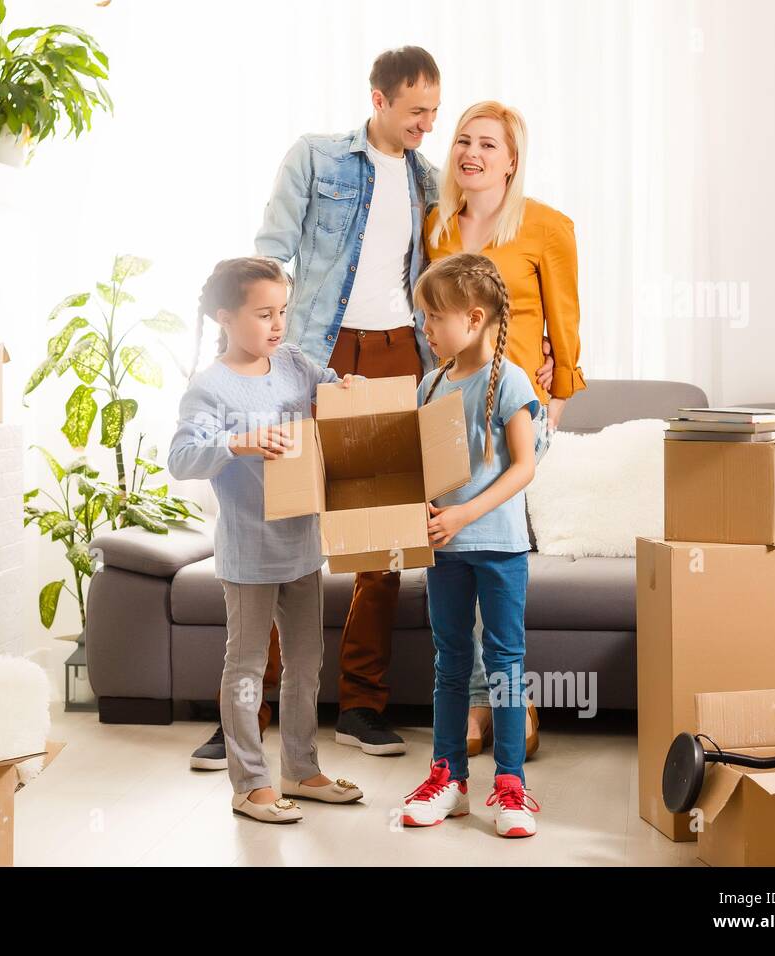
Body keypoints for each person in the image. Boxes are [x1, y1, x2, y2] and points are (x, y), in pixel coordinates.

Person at [185, 46, 445, 770]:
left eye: (435, 109)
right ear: (379, 99)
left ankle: (361, 707)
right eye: (417, 108)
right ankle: (248, 712)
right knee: (279, 519)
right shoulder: (317, 157)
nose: (428, 122)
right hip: (311, 353)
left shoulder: (430, 180)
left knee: (380, 541)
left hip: (396, 354)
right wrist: (253, 345)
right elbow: (270, 255)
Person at [169, 256, 365, 823]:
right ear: (226, 318)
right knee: (248, 667)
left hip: (302, 545)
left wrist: (347, 388)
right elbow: (182, 458)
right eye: (263, 314)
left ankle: (300, 770)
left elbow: (331, 391)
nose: (277, 324)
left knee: (306, 665)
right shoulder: (209, 387)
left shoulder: (295, 365)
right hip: (249, 554)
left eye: (282, 311)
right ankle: (249, 783)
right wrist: (241, 443)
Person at [423, 100, 585, 757]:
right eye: (464, 140)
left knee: (493, 560)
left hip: (516, 407)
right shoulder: (437, 224)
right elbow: (434, 319)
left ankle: (499, 715)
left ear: (511, 160)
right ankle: (483, 714)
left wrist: (554, 411)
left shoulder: (548, 225)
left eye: (489, 145)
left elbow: (565, 325)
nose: (473, 154)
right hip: (455, 406)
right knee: (459, 564)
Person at [400, 253, 542, 837]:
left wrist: (463, 514)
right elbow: (418, 468)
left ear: (475, 317)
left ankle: (511, 787)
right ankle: (448, 778)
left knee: (504, 665)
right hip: (446, 550)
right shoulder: (431, 383)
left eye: (433, 318)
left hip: (499, 545)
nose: (426, 329)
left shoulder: (509, 379)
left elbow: (524, 467)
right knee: (451, 663)